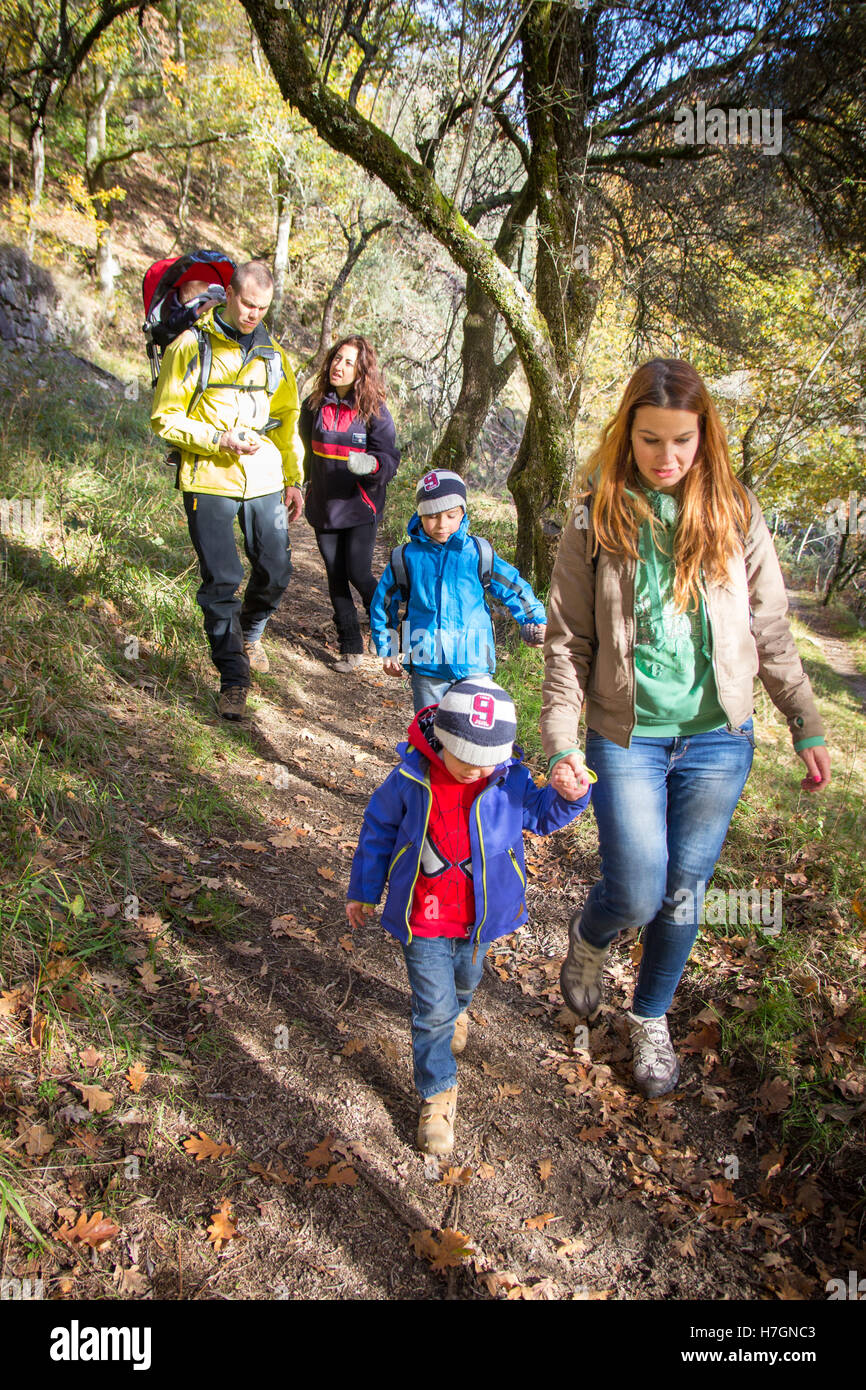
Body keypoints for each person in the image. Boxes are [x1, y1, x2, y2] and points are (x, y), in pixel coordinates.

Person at [542, 358, 830, 1099]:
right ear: (625, 434)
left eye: (682, 441)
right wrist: (564, 741)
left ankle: (650, 1019)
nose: (666, 458)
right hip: (625, 735)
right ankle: (591, 937)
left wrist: (805, 719)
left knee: (684, 892)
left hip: (716, 740)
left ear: (705, 437)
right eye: (648, 440)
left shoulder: (736, 512)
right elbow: (568, 640)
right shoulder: (594, 515)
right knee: (637, 889)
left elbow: (769, 630)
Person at [346, 677, 592, 1154]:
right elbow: (377, 830)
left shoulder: (509, 778)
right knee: (431, 1008)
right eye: (466, 761)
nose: (476, 772)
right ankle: (437, 1092)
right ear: (441, 740)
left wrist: (570, 795)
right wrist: (363, 889)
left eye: (488, 764)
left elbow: (542, 817)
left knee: (465, 978)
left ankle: (460, 1009)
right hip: (424, 917)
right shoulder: (409, 779)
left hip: (479, 917)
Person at [151, 260, 304, 720]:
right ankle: (233, 678)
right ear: (230, 294)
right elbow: (164, 417)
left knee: (276, 569)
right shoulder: (189, 345)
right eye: (248, 304)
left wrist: (294, 479)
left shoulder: (275, 355)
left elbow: (288, 421)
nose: (254, 314)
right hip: (207, 478)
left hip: (264, 480)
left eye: (263, 308)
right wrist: (217, 440)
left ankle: (251, 630)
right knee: (221, 580)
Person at [371, 469, 548, 713]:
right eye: (432, 516)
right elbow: (383, 603)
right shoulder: (405, 558)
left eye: (451, 515)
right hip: (426, 663)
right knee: (430, 733)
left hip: (475, 662)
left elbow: (514, 587)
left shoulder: (478, 553)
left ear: (463, 513)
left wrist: (535, 620)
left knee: (472, 736)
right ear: (420, 515)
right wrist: (388, 647)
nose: (442, 524)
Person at [299, 336, 400, 672]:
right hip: (325, 506)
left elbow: (389, 458)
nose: (338, 367)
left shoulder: (375, 410)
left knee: (357, 571)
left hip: (360, 506)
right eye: (336, 359)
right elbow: (306, 448)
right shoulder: (314, 406)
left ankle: (389, 627)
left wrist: (372, 466)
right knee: (335, 574)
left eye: (348, 363)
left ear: (361, 371)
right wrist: (305, 485)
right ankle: (350, 648)